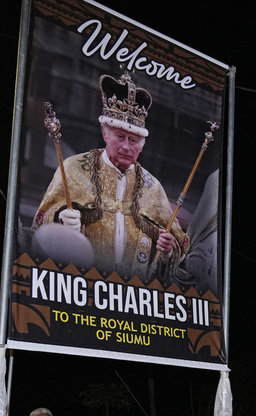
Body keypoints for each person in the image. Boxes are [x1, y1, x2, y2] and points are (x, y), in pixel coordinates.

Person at [32, 71, 186, 280]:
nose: (126, 146)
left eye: (133, 141)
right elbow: (41, 224)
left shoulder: (153, 187)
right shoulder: (73, 168)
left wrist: (167, 250)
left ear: (142, 146)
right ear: (105, 133)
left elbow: (177, 244)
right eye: (120, 136)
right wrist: (60, 220)